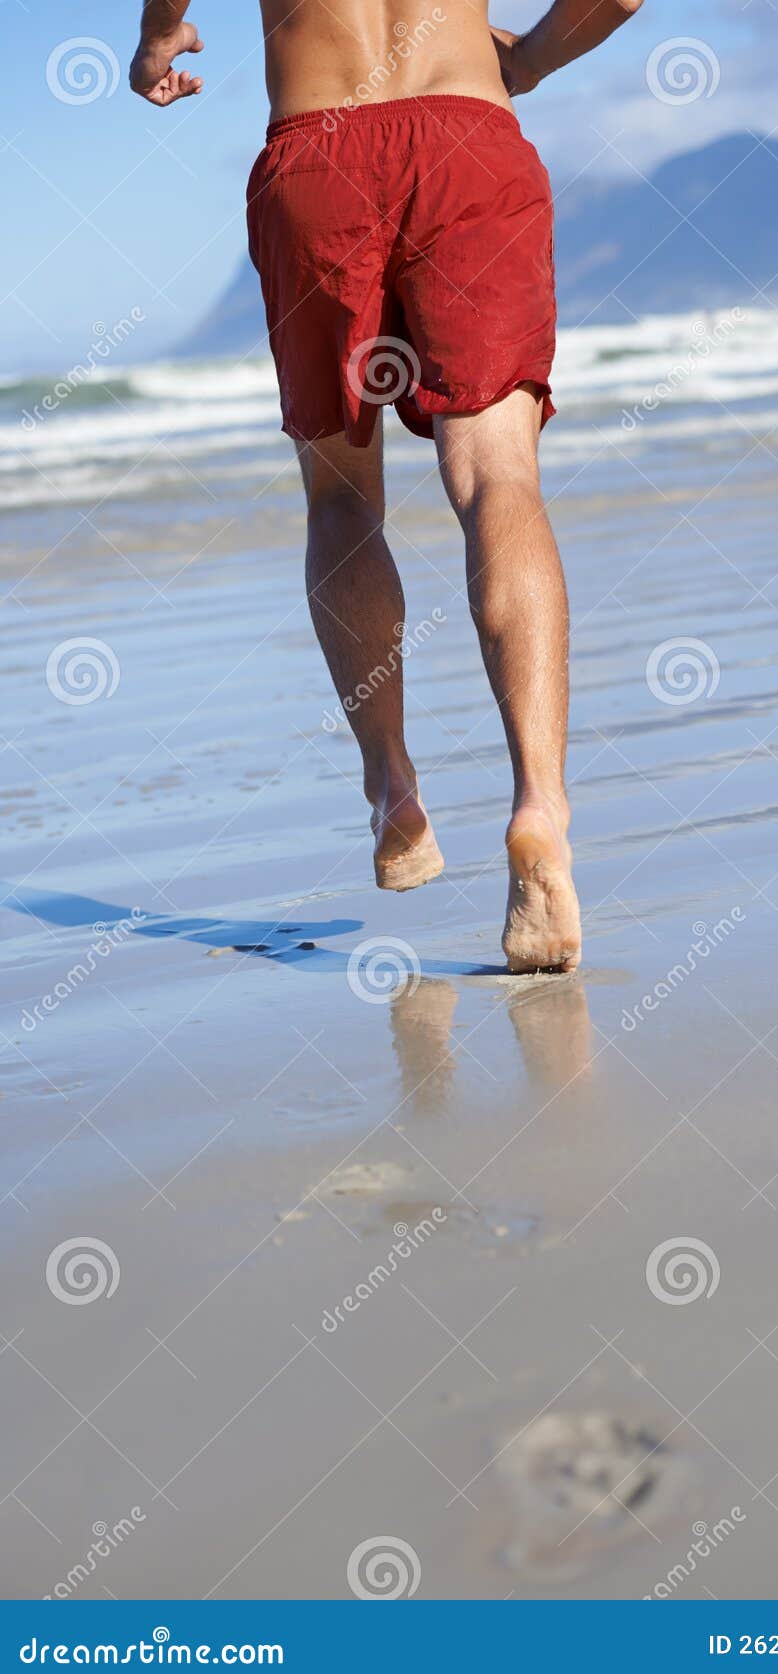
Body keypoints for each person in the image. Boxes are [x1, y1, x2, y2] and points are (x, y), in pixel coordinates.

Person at [130, 0, 643, 971]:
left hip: (318, 155)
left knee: (340, 499)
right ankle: (540, 807)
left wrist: (158, 42)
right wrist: (526, 60)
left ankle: (393, 791)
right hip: (467, 137)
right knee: (497, 477)